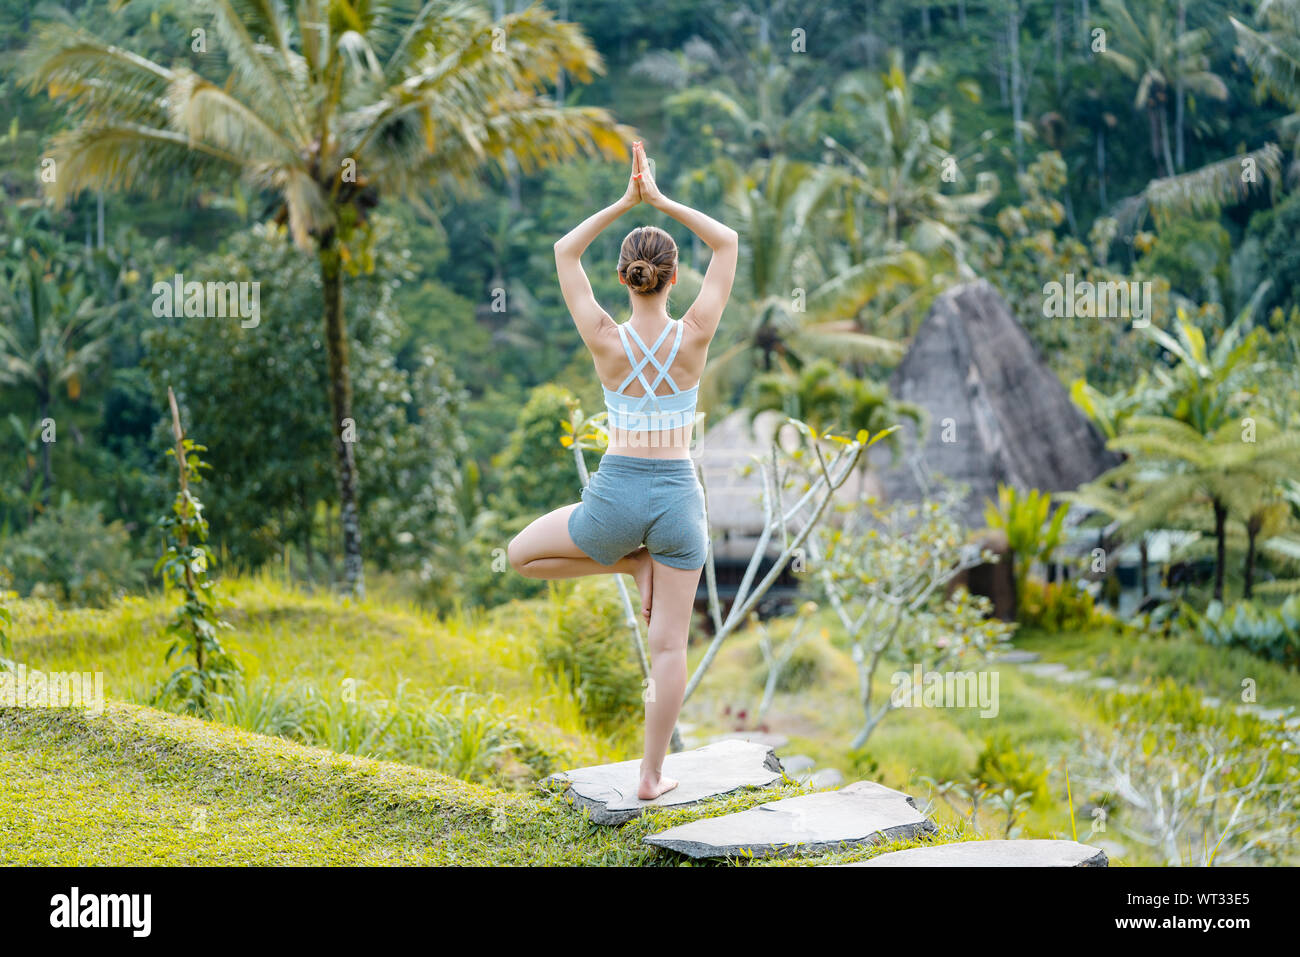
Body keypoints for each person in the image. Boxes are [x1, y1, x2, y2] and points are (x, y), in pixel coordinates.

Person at [507, 141, 739, 800]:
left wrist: (625, 200)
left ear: (625, 278)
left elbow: (562, 252)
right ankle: (650, 775)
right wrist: (660, 199)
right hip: (677, 505)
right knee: (669, 650)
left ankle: (626, 562)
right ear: (670, 278)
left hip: (613, 498)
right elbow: (727, 244)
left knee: (521, 555)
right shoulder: (693, 334)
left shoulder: (605, 338)